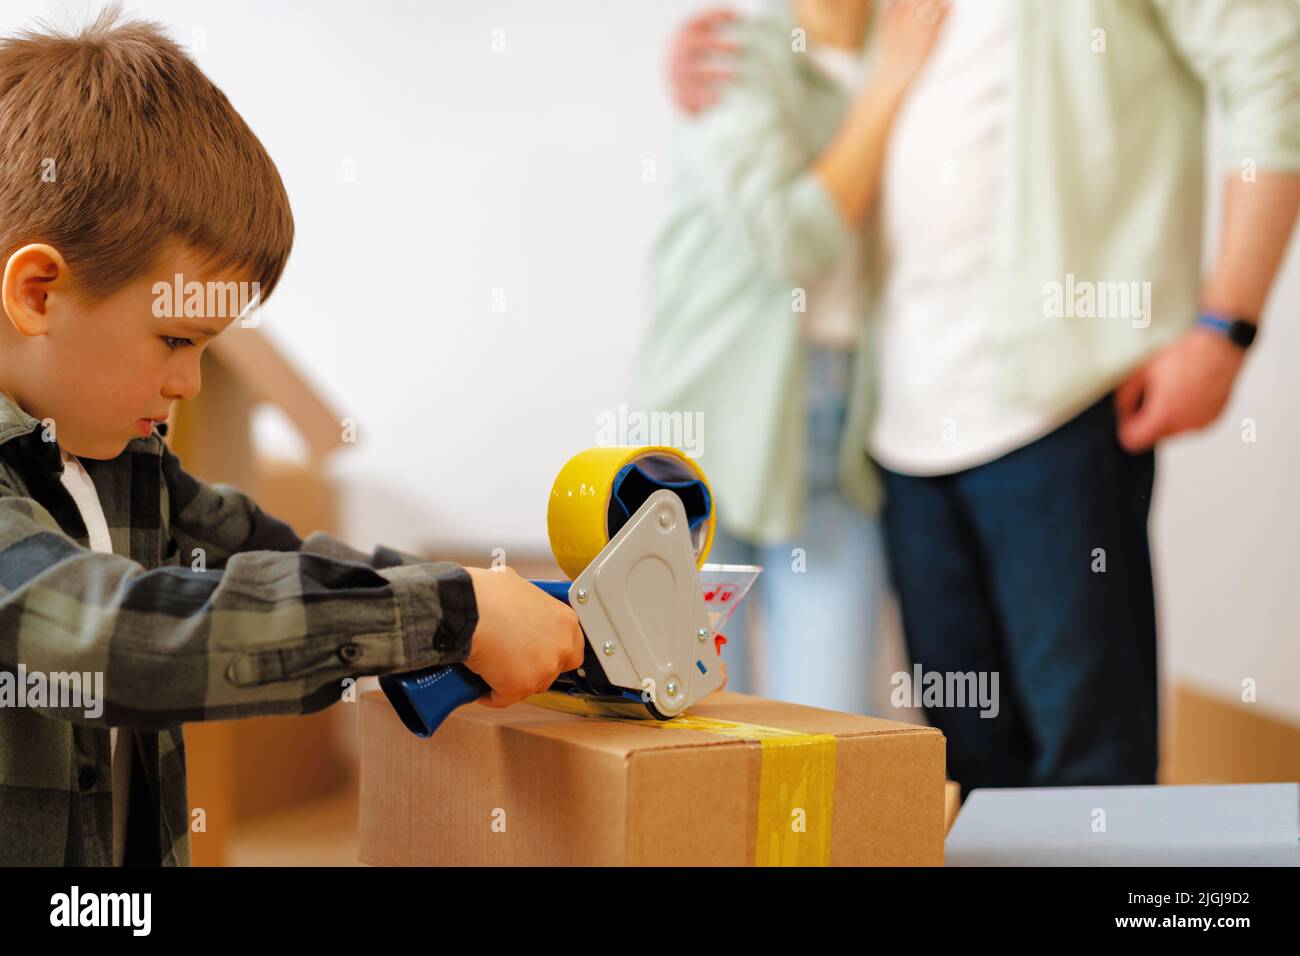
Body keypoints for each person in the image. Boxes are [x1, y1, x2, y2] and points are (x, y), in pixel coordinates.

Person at [0, 7, 586, 866]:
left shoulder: (127, 465)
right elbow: (130, 642)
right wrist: (451, 612)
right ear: (39, 292)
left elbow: (277, 560)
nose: (189, 382)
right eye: (175, 340)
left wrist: (489, 600)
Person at [670, 0, 1300, 796]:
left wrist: (1227, 321)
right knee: (971, 771)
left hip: (1057, 411)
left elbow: (1272, 63)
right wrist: (723, 59)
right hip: (898, 437)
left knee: (1092, 770)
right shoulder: (875, 18)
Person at [632, 0, 946, 713]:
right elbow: (793, 237)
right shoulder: (734, 51)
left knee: (829, 742)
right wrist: (891, 83)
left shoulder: (925, 43)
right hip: (702, 433)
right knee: (694, 735)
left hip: (840, 442)